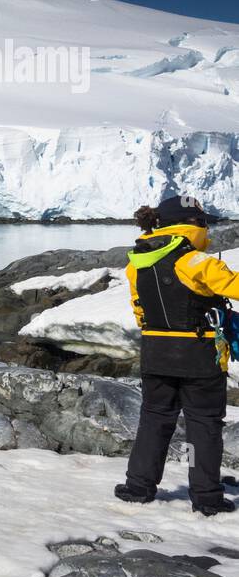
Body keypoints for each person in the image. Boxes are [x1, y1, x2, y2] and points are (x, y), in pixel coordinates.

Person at [115, 195, 239, 515]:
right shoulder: (196, 261)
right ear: (194, 225)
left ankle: (138, 486)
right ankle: (206, 497)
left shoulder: (136, 263)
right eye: (204, 223)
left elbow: (140, 310)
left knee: (155, 419)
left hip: (155, 352)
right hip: (198, 356)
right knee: (203, 426)